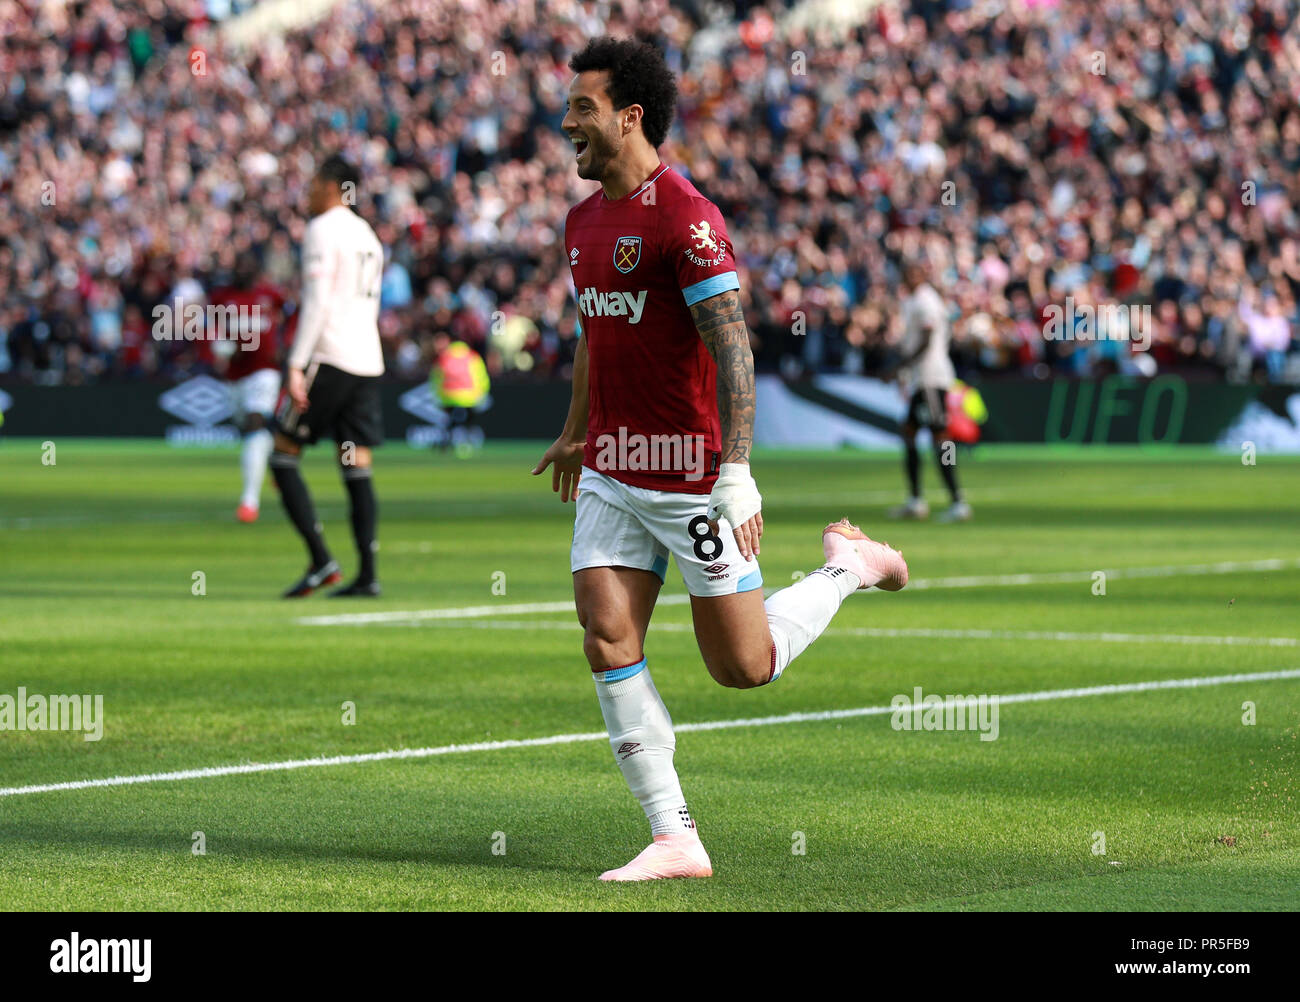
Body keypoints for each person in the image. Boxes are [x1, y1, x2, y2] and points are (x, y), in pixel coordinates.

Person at [532, 37, 909, 882]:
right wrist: (575, 427)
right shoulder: (582, 220)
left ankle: (846, 567)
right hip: (613, 472)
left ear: (630, 116)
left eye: (582, 108)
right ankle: (675, 835)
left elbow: (734, 348)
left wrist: (736, 471)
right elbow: (598, 327)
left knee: (742, 668)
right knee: (605, 633)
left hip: (693, 477)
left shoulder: (688, 219)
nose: (567, 123)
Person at [269, 155, 386, 598]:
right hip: (366, 360)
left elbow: (317, 301)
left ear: (333, 187)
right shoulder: (368, 235)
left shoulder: (322, 229)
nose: (307, 191)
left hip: (330, 355)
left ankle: (321, 560)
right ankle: (368, 575)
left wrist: (296, 364)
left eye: (314, 182)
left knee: (282, 453)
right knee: (356, 463)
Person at [888, 261, 971, 522]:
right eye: (907, 272)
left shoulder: (926, 300)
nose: (910, 277)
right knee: (909, 433)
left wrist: (899, 366)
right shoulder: (914, 300)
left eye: (914, 272)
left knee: (940, 436)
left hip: (931, 378)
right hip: (920, 379)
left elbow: (927, 340)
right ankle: (916, 500)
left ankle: (958, 501)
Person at [209, 252, 287, 523]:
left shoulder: (271, 295)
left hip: (265, 371)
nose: (242, 271)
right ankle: (277, 463)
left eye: (247, 266)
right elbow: (212, 331)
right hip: (236, 376)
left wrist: (285, 347)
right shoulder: (221, 298)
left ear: (256, 271)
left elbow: (292, 316)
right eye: (238, 266)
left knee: (256, 422)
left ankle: (249, 503)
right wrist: (221, 349)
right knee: (248, 427)